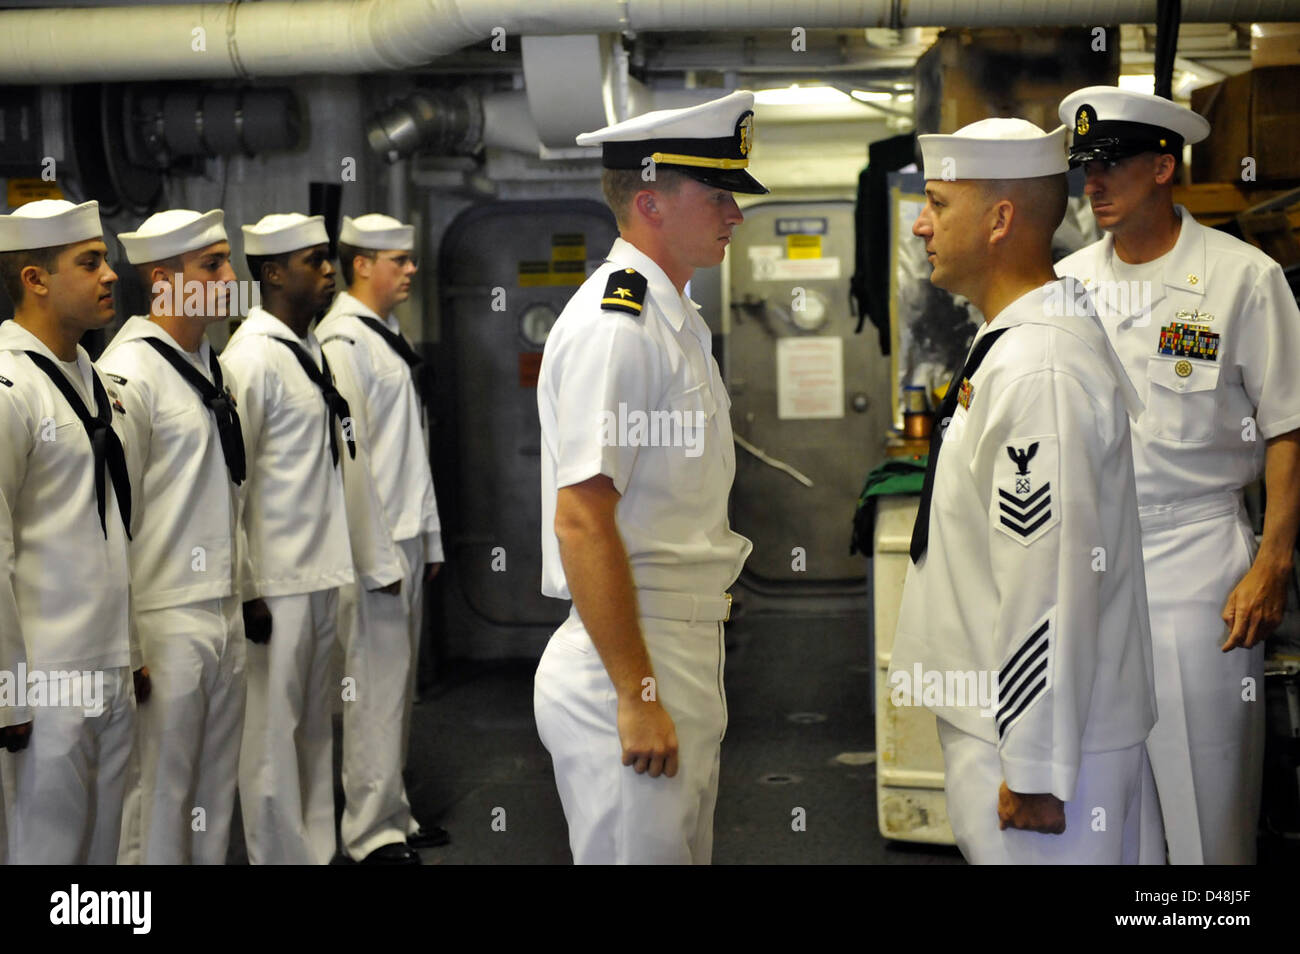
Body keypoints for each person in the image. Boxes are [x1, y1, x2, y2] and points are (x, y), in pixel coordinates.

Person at [886, 119, 1162, 863]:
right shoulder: (1016, 338)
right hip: (1016, 724)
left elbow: (1048, 575)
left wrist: (1036, 765)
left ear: (1000, 219)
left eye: (938, 204)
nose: (920, 224)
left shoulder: (1039, 366)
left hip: (1042, 750)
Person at [1055, 86, 1300, 864]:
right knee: (1104, 802)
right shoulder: (1066, 283)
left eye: (1112, 164)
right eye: (1084, 167)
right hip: (1089, 562)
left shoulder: (1242, 278)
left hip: (1198, 559)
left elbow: (1289, 427)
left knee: (1206, 800)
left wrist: (1272, 561)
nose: (1093, 182)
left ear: (1164, 167)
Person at [533, 90, 764, 864]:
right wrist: (637, 696)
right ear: (649, 203)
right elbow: (582, 519)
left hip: (675, 643)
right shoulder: (617, 326)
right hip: (630, 658)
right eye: (718, 194)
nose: (734, 213)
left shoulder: (676, 320)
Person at [223, 212, 399, 864]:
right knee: (271, 741)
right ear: (273, 273)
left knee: (313, 735)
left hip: (322, 577)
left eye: (329, 259)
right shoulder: (251, 360)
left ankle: (319, 852)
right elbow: (232, 487)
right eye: (314, 261)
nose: (329, 272)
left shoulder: (311, 352)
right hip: (276, 585)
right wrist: (246, 589)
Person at [102, 209, 250, 864]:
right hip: (164, 614)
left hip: (221, 604)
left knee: (213, 797)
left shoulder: (210, 364)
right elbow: (110, 514)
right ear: (165, 280)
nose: (230, 276)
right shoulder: (129, 373)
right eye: (213, 264)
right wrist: (126, 638)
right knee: (158, 798)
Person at [0, 198, 146, 863]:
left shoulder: (97, 382)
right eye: (89, 263)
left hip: (107, 659)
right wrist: (7, 695)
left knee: (104, 853)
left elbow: (116, 527)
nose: (110, 274)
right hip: (47, 678)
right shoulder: (10, 389)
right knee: (46, 853)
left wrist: (131, 646)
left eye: (107, 259)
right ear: (35, 279)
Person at [318, 213, 448, 865]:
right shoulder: (343, 342)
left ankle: (393, 811)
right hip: (374, 545)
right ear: (361, 264)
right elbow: (354, 458)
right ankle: (369, 833)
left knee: (398, 686)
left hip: (404, 532)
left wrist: (428, 539)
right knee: (371, 687)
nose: (410, 270)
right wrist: (374, 555)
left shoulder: (383, 333)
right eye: (397, 259)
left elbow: (407, 450)